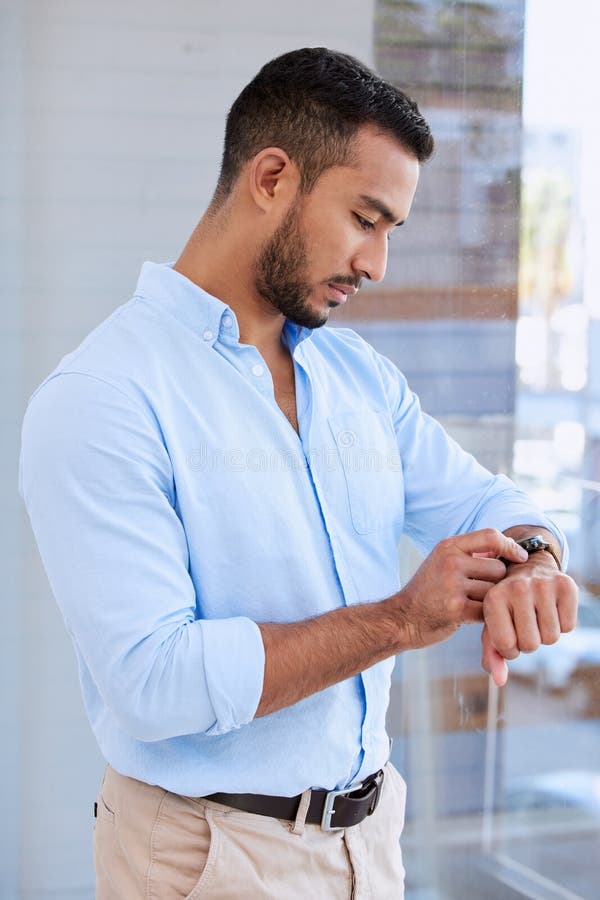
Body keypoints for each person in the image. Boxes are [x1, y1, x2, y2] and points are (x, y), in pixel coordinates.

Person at [19, 47, 578, 899]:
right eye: (365, 217)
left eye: (393, 230)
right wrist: (398, 620)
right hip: (204, 858)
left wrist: (534, 557)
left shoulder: (360, 380)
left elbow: (485, 500)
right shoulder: (102, 398)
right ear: (273, 177)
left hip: (372, 841)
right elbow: (152, 683)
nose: (377, 265)